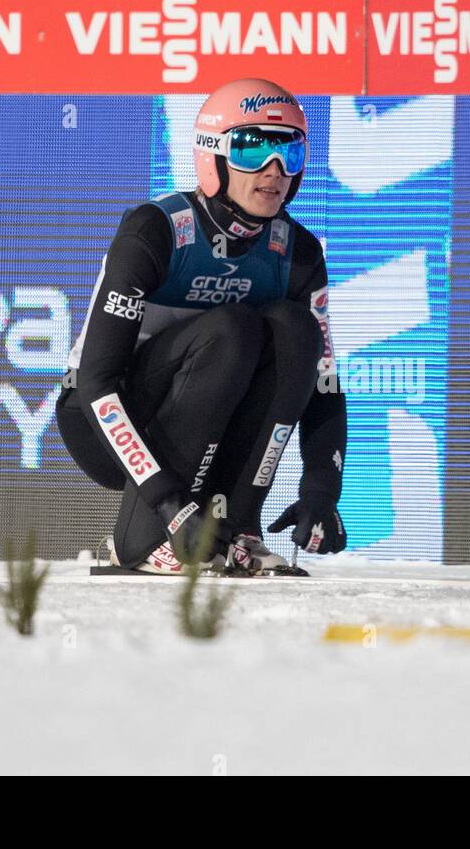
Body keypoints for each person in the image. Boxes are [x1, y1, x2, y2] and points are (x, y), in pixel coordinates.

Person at [55, 78, 347, 575]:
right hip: (106, 418)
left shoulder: (296, 252)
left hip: (213, 412)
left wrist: (321, 490)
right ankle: (150, 541)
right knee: (232, 331)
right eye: (252, 149)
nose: (274, 171)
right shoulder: (155, 232)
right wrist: (169, 505)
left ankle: (238, 529)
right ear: (211, 157)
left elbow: (323, 383)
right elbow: (96, 383)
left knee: (293, 328)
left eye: (290, 152)